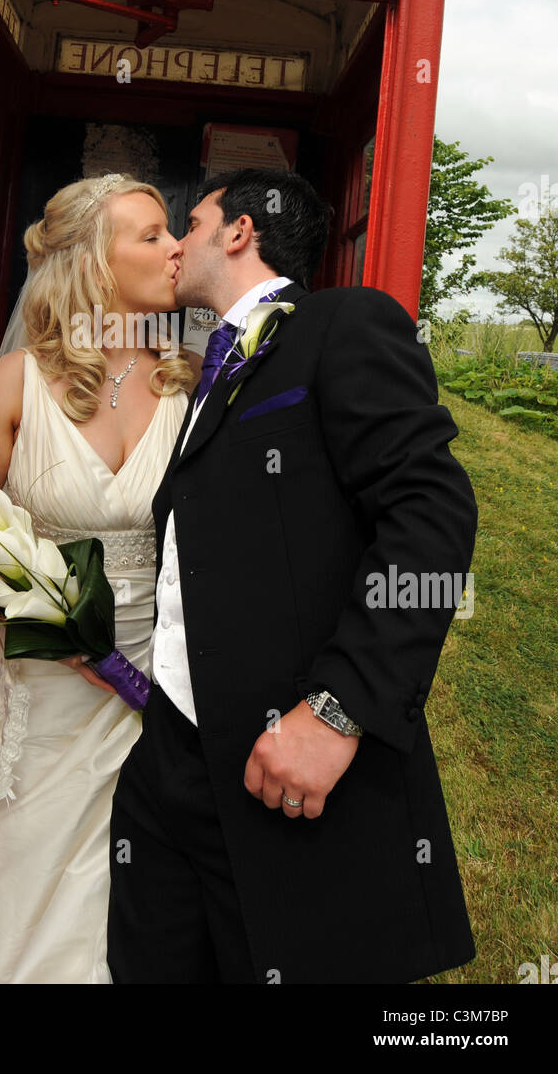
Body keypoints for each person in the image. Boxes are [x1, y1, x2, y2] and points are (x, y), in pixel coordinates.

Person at [107, 166, 479, 985]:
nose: (174, 246)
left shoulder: (342, 323)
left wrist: (336, 712)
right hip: (167, 765)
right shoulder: (206, 370)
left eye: (190, 223)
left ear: (239, 231)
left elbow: (431, 517)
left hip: (283, 765)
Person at [0, 172, 200, 984]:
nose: (177, 246)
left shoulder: (189, 385)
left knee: (122, 889)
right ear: (96, 267)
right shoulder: (13, 385)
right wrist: (42, 618)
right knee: (6, 877)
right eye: (149, 235)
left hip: (144, 682)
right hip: (28, 680)